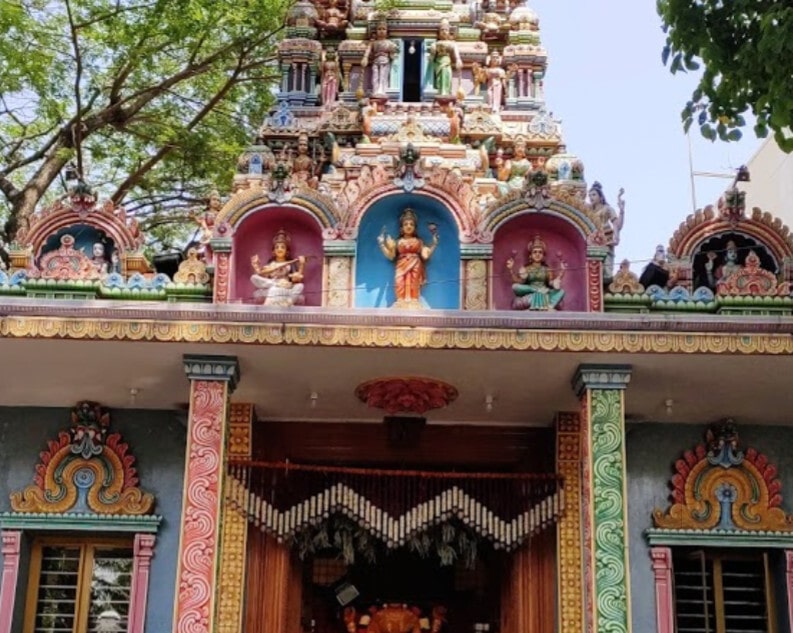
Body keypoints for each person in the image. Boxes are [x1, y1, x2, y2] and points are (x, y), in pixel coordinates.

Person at [377, 208, 439, 308]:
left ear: (415, 227)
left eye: (411, 224)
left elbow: (425, 255)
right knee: (399, 280)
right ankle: (400, 300)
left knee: (414, 280)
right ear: (401, 228)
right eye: (405, 224)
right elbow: (391, 256)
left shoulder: (419, 241)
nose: (408, 226)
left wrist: (434, 244)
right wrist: (382, 244)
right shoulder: (398, 242)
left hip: (415, 263)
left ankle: (414, 300)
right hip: (401, 263)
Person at [506, 235, 566, 310]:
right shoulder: (526, 269)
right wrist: (511, 269)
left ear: (543, 256)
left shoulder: (547, 269)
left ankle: (547, 304)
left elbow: (551, 283)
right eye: (535, 252)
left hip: (545, 291)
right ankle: (540, 294)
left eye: (540, 252)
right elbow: (519, 282)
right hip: (531, 290)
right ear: (530, 255)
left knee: (561, 292)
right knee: (515, 286)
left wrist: (562, 272)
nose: (537, 254)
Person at [250, 229, 306, 307]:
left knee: (300, 286)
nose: (279, 249)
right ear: (273, 251)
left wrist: (302, 265)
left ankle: (288, 301)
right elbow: (262, 275)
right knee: (254, 277)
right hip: (272, 285)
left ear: (287, 251)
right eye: (277, 247)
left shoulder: (290, 264)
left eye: (282, 247)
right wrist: (256, 265)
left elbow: (297, 279)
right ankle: (276, 284)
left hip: (286, 288)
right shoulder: (271, 264)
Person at [361, 21, 397, 96]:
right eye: (379, 29)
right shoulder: (373, 42)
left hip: (385, 61)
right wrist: (365, 57)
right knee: (375, 77)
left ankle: (382, 91)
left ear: (387, 31)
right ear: (376, 31)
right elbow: (368, 50)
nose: (381, 31)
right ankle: (375, 91)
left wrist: (393, 53)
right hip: (375, 61)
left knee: (383, 76)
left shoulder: (389, 43)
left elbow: (393, 52)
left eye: (383, 29)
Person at [429, 19, 462, 96]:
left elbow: (456, 53)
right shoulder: (435, 44)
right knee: (440, 78)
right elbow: (432, 57)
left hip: (447, 62)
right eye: (442, 30)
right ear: (439, 32)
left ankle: (446, 92)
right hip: (438, 62)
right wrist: (431, 54)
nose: (444, 32)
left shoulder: (452, 43)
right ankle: (441, 91)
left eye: (446, 30)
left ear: (449, 32)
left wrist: (458, 59)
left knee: (447, 76)